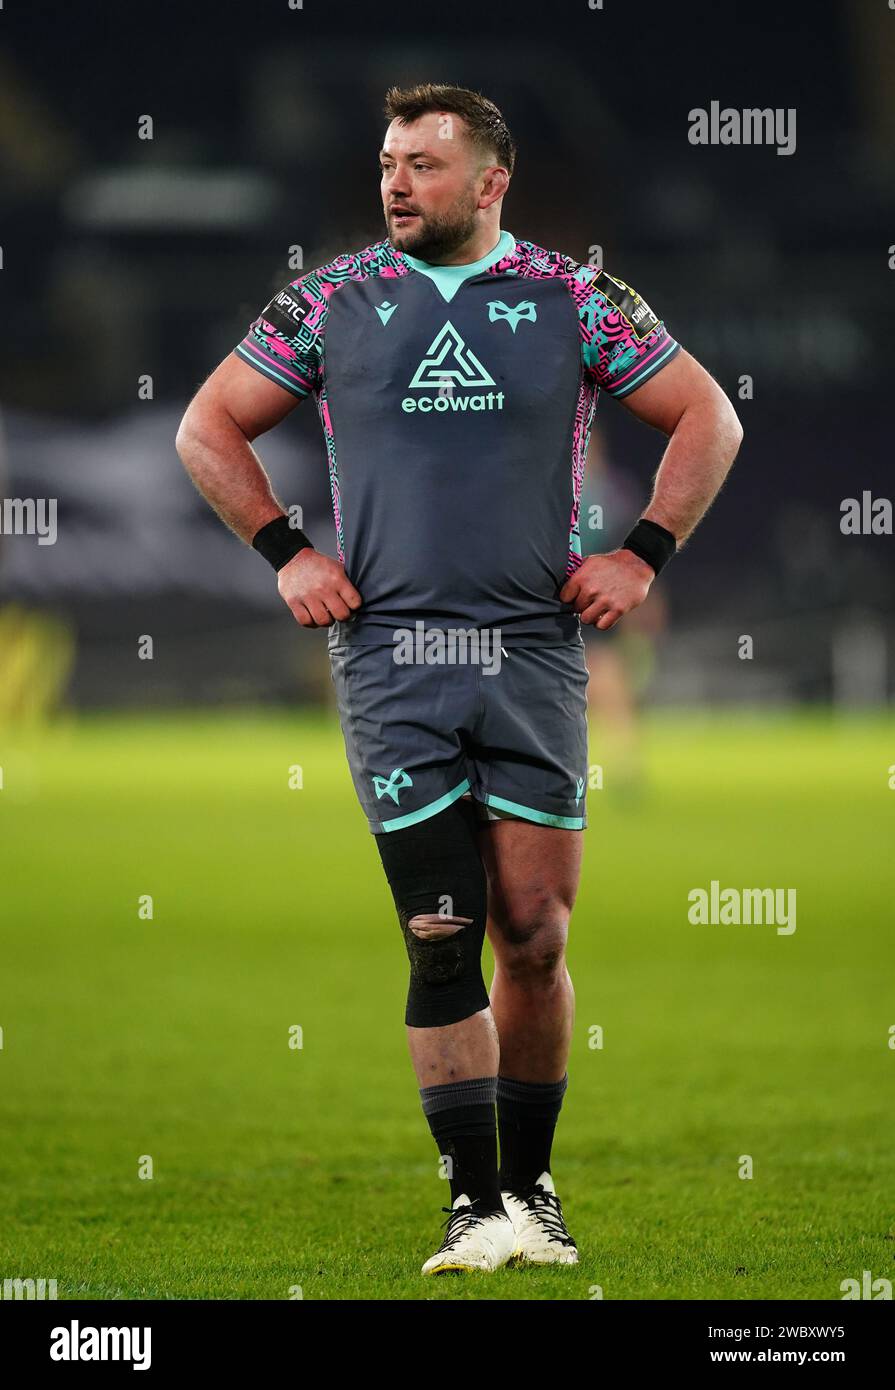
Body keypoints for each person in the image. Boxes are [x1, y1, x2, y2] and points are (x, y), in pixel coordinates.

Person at [175, 82, 743, 1276]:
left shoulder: (576, 298)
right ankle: (469, 1204)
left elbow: (707, 416)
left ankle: (530, 1193)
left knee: (532, 935)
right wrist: (285, 552)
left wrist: (641, 555)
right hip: (391, 660)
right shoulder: (328, 302)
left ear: (491, 182)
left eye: (424, 165)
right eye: (388, 161)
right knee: (441, 935)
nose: (395, 183)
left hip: (533, 655)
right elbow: (207, 427)